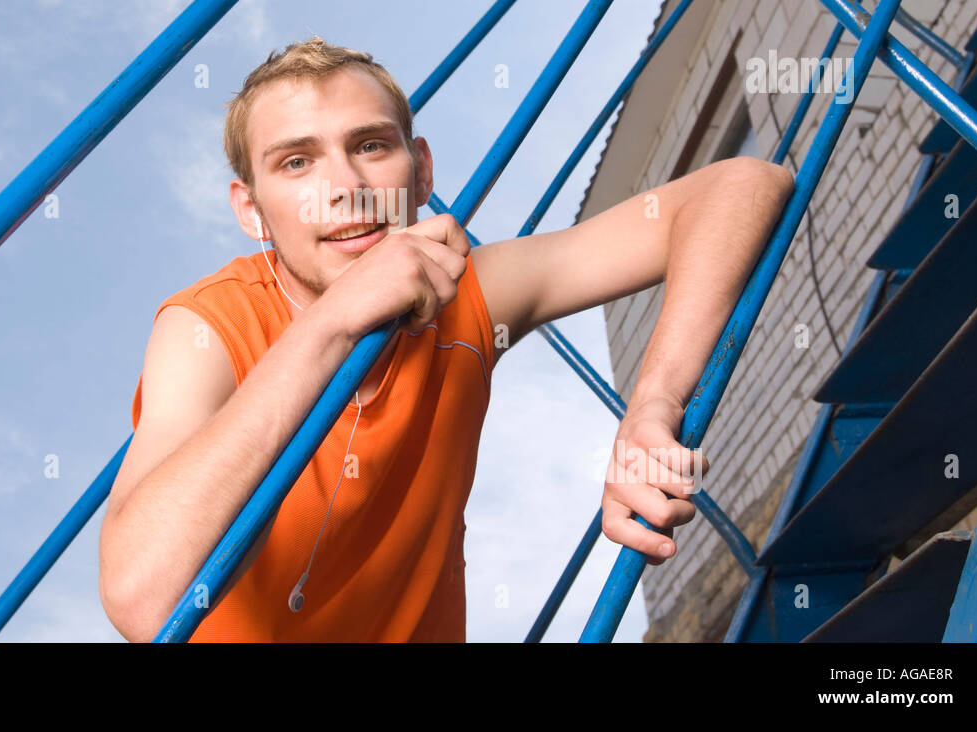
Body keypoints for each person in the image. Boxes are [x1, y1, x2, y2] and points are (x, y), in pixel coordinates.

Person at [98, 36, 795, 642]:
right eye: (296, 164)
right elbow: (141, 594)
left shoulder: (469, 293)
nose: (346, 187)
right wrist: (336, 319)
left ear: (421, 169)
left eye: (370, 146)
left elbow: (742, 186)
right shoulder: (205, 325)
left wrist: (652, 407)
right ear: (251, 210)